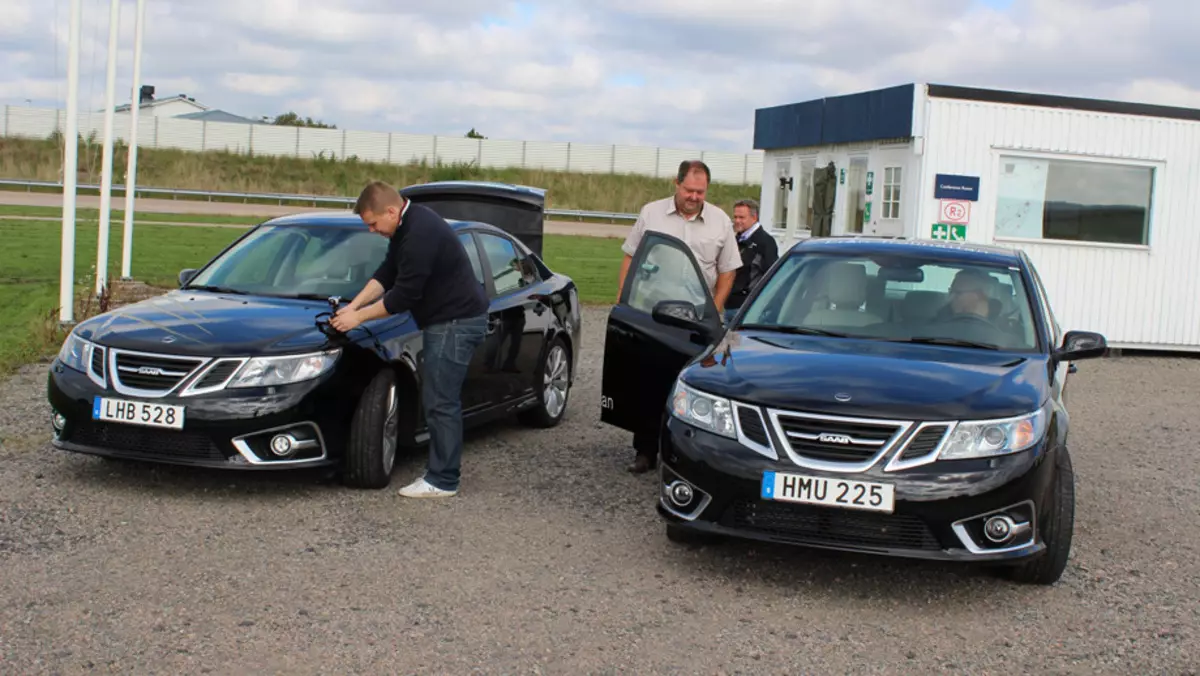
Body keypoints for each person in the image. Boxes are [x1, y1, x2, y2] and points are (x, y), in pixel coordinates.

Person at [331, 180, 489, 499]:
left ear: (390, 210)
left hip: (454, 323)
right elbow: (387, 273)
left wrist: (357, 318)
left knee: (440, 401)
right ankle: (442, 475)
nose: (373, 231)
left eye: (374, 224)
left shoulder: (420, 233)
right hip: (447, 321)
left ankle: (443, 480)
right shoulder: (407, 224)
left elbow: (403, 296)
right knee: (438, 398)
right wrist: (354, 305)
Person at [616, 159, 742, 474]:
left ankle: (689, 454)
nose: (695, 197)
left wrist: (715, 307)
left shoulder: (721, 221)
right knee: (648, 380)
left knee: (692, 384)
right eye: (689, 190)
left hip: (698, 318)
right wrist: (623, 301)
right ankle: (645, 450)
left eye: (701, 192)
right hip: (654, 314)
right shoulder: (651, 213)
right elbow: (630, 256)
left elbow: (728, 270)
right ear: (677, 183)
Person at [724, 198, 778, 322]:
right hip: (730, 305)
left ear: (754, 218)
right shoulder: (736, 239)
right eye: (735, 217)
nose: (737, 221)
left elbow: (771, 277)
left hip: (748, 308)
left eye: (741, 217)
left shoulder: (765, 242)